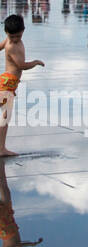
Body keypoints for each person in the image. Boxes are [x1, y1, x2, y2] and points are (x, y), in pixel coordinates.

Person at [1, 15, 45, 156]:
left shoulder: (8, 40)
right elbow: (21, 65)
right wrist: (36, 62)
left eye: (18, 36)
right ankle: (1, 148)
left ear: (23, 31)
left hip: (6, 82)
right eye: (12, 36)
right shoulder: (13, 47)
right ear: (6, 32)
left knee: (5, 116)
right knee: (5, 117)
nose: (14, 39)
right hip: (8, 83)